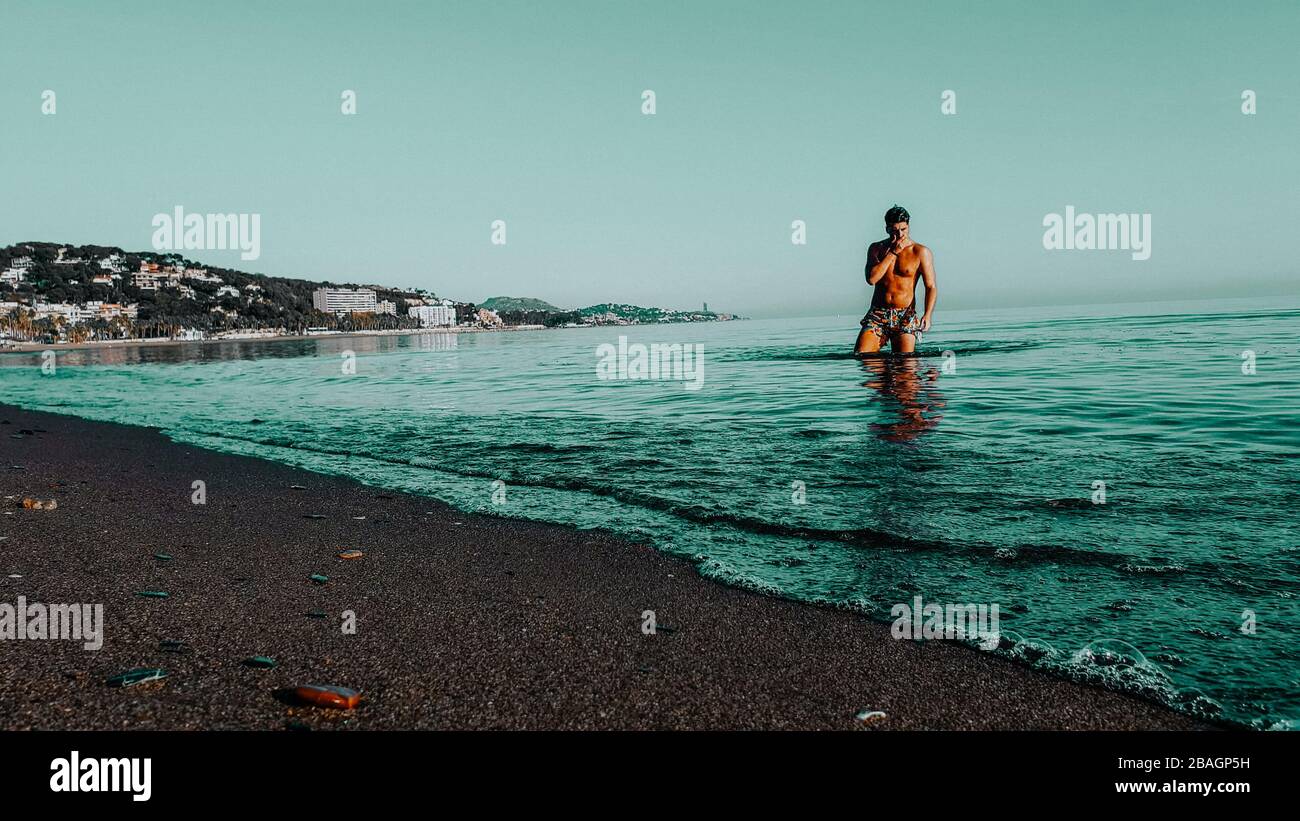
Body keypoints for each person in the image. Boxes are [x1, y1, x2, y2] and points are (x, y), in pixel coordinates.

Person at [854, 205, 936, 354]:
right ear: (887, 229)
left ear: (908, 226)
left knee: (904, 366)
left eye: (903, 229)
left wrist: (928, 314)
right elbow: (872, 279)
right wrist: (893, 252)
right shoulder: (876, 248)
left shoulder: (920, 252)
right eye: (894, 230)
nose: (899, 234)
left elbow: (930, 286)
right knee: (862, 356)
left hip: (905, 315)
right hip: (878, 314)